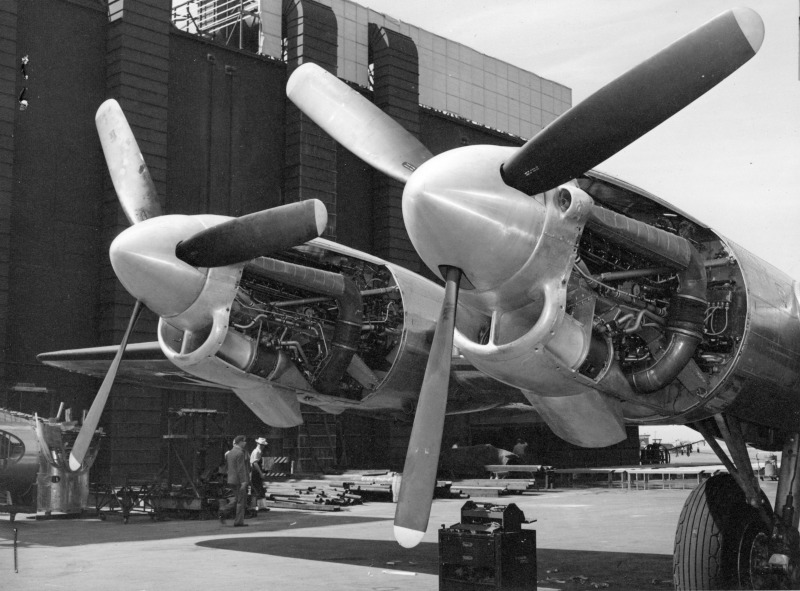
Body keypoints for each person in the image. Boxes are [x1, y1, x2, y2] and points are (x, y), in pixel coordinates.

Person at [220, 435, 249, 526]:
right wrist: (244, 481)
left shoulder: (230, 453)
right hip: (238, 481)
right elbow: (241, 468)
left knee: (237, 499)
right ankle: (238, 522)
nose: (245, 443)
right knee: (241, 501)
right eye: (244, 441)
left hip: (231, 479)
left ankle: (223, 511)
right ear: (239, 442)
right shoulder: (240, 453)